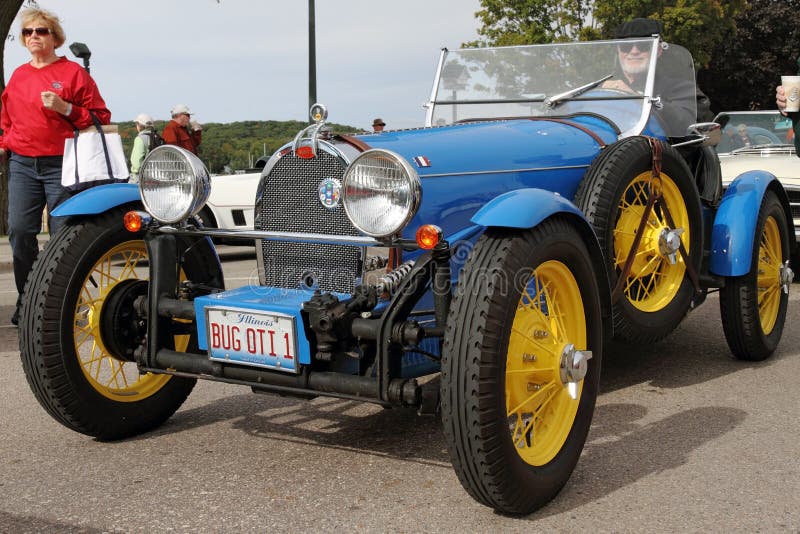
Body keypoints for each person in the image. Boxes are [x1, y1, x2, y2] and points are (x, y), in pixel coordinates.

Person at [0, 7, 111, 326]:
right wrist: (6, 144)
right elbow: (7, 121)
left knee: (63, 237)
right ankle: (28, 299)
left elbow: (101, 116)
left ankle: (63, 303)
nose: (33, 36)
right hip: (22, 165)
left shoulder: (74, 74)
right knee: (20, 232)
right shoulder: (19, 75)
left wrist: (66, 108)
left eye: (40, 31)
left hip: (63, 163)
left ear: (55, 37)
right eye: (27, 32)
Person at [602, 18, 707, 134]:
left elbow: (690, 126)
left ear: (658, 51)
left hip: (655, 150)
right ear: (618, 51)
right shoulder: (603, 87)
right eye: (626, 46)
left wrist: (637, 98)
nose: (634, 51)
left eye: (644, 46)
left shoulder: (681, 88)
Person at [129, 113, 154, 182]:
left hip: (140, 179)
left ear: (140, 125)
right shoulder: (157, 137)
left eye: (137, 124)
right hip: (154, 177)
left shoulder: (140, 139)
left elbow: (137, 164)